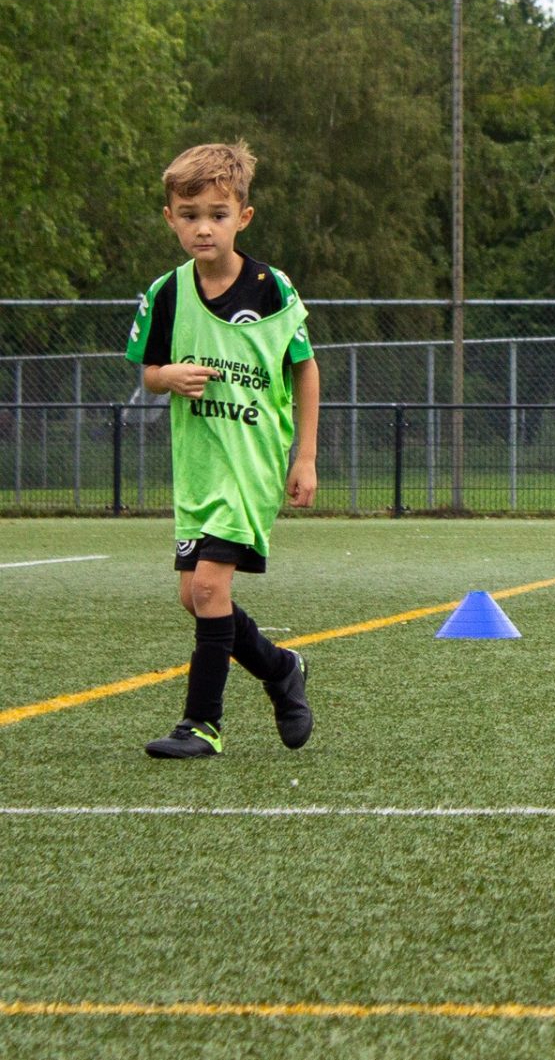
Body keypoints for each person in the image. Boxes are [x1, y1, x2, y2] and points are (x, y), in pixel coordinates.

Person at [124, 142, 318, 759]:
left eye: (217, 213)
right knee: (196, 597)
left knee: (208, 591)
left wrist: (305, 457)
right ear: (170, 218)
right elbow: (148, 371)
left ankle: (201, 725)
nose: (203, 226)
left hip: (251, 465)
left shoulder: (271, 288)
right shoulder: (166, 293)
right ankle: (281, 668)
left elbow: (305, 369)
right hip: (198, 468)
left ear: (244, 216)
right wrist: (169, 376)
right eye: (189, 214)